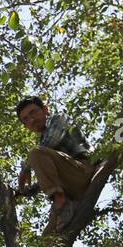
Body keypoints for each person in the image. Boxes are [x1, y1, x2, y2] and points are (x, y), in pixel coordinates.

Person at [14, 96, 95, 231]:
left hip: (84, 171)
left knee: (35, 153)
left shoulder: (59, 119)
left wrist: (26, 169)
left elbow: (52, 140)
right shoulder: (43, 149)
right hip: (71, 189)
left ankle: (60, 201)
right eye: (26, 120)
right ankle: (62, 207)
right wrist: (25, 192)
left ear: (45, 109)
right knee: (50, 235)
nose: (31, 120)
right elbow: (49, 176)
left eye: (33, 112)